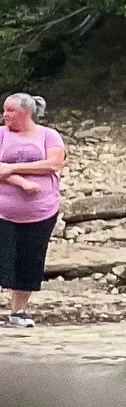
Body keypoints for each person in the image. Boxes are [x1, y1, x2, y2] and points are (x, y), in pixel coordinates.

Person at [0, 92, 68, 329]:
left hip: (41, 212)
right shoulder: (0, 134)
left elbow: (53, 163)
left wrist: (11, 167)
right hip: (3, 212)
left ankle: (18, 311)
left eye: (11, 111)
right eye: (4, 110)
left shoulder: (49, 135)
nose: (5, 115)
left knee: (30, 259)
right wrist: (22, 182)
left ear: (26, 112)